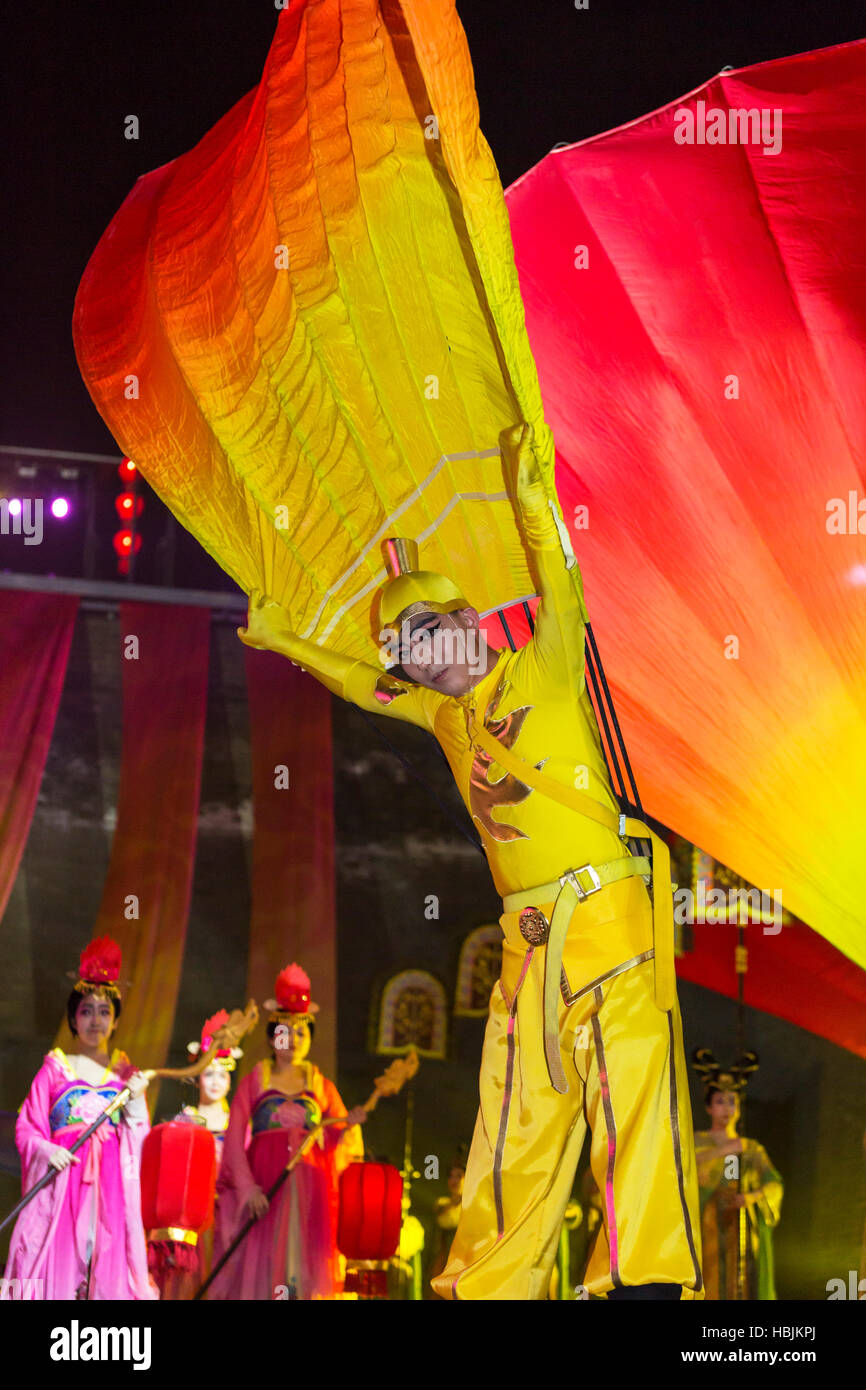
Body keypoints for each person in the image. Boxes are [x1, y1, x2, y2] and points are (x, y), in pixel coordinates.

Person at [238, 421, 703, 1300]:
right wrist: (284, 642)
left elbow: (558, 585)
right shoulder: (440, 717)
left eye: (423, 633)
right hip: (526, 948)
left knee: (631, 1092)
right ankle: (489, 1285)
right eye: (403, 651)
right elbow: (355, 684)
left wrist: (532, 502)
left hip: (610, 926)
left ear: (465, 620)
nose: (413, 658)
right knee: (513, 1121)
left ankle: (645, 1282)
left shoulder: (546, 666)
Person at [1, 935, 154, 1300]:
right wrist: (44, 1150)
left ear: (116, 1021)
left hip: (110, 1188)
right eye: (86, 1010)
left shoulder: (124, 1076)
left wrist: (134, 1102)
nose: (95, 1020)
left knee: (103, 1263)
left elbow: (140, 1140)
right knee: (59, 1264)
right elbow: (26, 1128)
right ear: (73, 1018)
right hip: (64, 1184)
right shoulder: (56, 1069)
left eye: (105, 1012)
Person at [210, 964, 366, 1300]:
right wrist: (249, 1188)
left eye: (301, 1033)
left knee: (302, 1272)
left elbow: (340, 1138)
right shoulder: (256, 1078)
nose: (292, 1040)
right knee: (264, 1269)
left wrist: (348, 1123)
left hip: (311, 1194)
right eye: (284, 1032)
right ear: (270, 1036)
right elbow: (235, 1140)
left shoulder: (320, 1084)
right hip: (266, 1192)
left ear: (310, 1038)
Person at [147, 1011, 242, 1299]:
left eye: (222, 1075)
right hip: (188, 1220)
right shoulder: (183, 1121)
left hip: (227, 1216)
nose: (215, 1081)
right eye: (208, 1073)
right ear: (196, 1079)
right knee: (184, 1283)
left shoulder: (237, 1124)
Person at [692, 1049, 783, 1300]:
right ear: (709, 1107)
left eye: (733, 1101)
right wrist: (724, 1150)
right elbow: (680, 1171)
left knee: (741, 1285)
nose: (727, 1108)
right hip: (703, 1227)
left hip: (741, 1227)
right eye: (720, 1101)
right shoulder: (695, 1142)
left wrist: (752, 1196)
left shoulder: (752, 1149)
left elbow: (774, 1183)